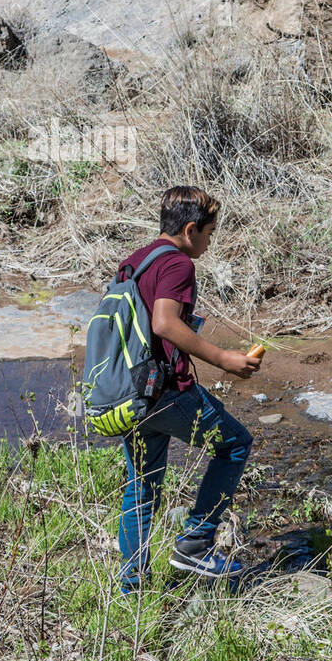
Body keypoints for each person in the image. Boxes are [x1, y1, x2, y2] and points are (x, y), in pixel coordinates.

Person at [116, 186, 261, 593]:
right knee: (235, 443)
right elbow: (164, 323)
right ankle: (195, 543)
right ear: (191, 229)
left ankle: (132, 591)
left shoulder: (137, 261)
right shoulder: (178, 264)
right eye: (210, 234)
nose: (209, 243)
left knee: (142, 489)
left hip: (134, 394)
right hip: (165, 391)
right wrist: (224, 359)